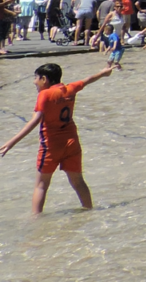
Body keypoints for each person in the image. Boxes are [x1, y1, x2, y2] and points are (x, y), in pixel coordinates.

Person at [0, 62, 114, 215]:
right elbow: (87, 80)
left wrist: (10, 142)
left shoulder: (45, 95)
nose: (34, 82)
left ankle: (36, 222)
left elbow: (35, 121)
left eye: (36, 78)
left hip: (51, 146)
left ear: (44, 79)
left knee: (41, 185)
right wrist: (103, 73)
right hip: (72, 142)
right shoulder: (70, 89)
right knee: (78, 181)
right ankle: (90, 212)